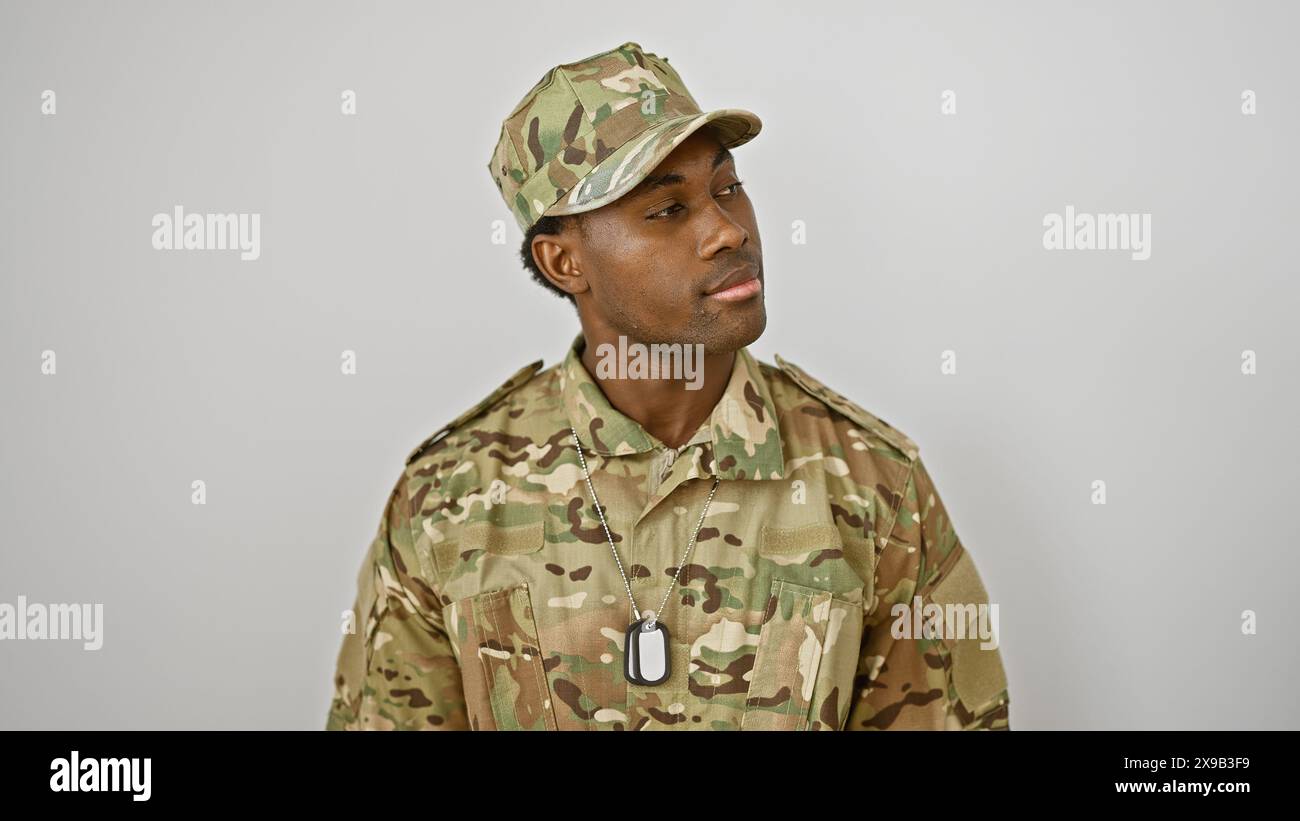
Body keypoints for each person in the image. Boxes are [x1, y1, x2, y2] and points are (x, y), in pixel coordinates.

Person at [326, 41, 1009, 731]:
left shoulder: (873, 488)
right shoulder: (449, 501)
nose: (728, 230)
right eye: (667, 210)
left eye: (727, 187)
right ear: (564, 261)